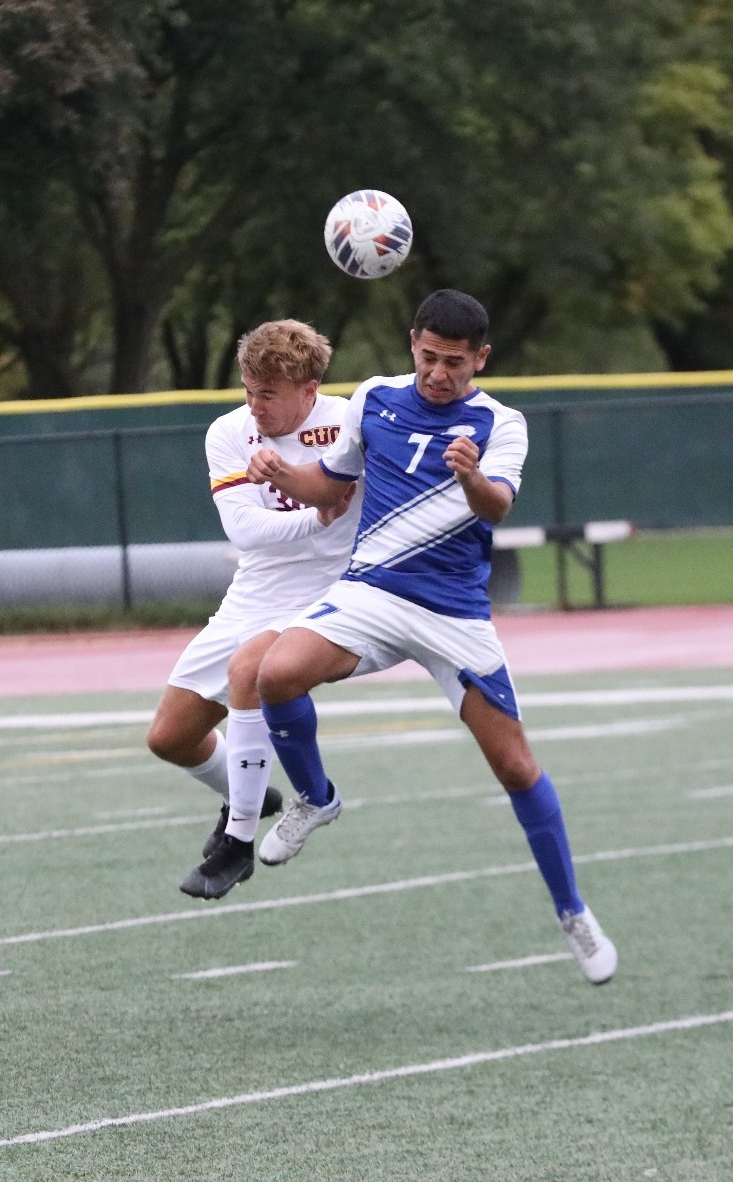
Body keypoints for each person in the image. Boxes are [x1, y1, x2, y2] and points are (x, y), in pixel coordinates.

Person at [244, 289, 618, 985]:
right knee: (275, 674)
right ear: (412, 342)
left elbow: (497, 506)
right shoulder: (375, 398)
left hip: (453, 614)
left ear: (481, 358)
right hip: (371, 593)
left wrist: (473, 475)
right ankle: (318, 799)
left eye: (454, 362)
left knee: (514, 767)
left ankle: (572, 910)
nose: (438, 373)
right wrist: (281, 472)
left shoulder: (499, 422)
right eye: (427, 357)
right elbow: (331, 486)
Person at [145, 319, 360, 900]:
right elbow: (246, 530)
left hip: (332, 590)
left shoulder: (349, 422)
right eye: (248, 390)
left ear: (310, 389)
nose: (255, 405)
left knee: (250, 671)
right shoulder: (229, 433)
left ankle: (237, 843)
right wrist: (314, 515)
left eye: (269, 394)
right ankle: (251, 794)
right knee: (169, 738)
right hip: (258, 588)